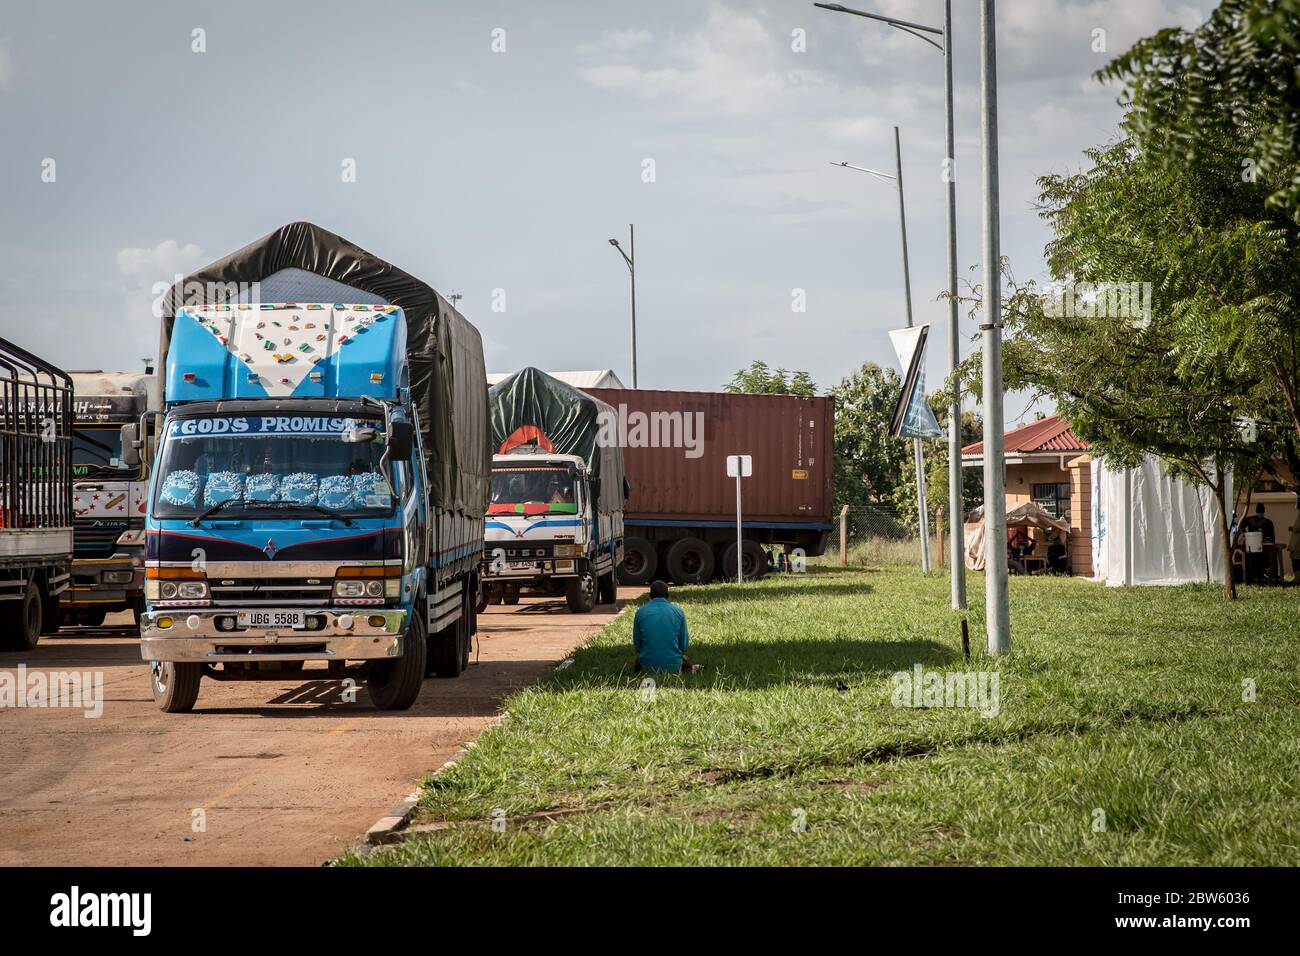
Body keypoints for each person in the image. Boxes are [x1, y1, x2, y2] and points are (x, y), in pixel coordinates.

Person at [632, 580, 696, 673]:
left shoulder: (640, 612)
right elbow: (683, 646)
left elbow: (638, 646)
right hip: (673, 666)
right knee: (685, 659)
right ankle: (691, 668)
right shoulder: (679, 612)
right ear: (668, 595)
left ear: (650, 595)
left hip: (647, 667)